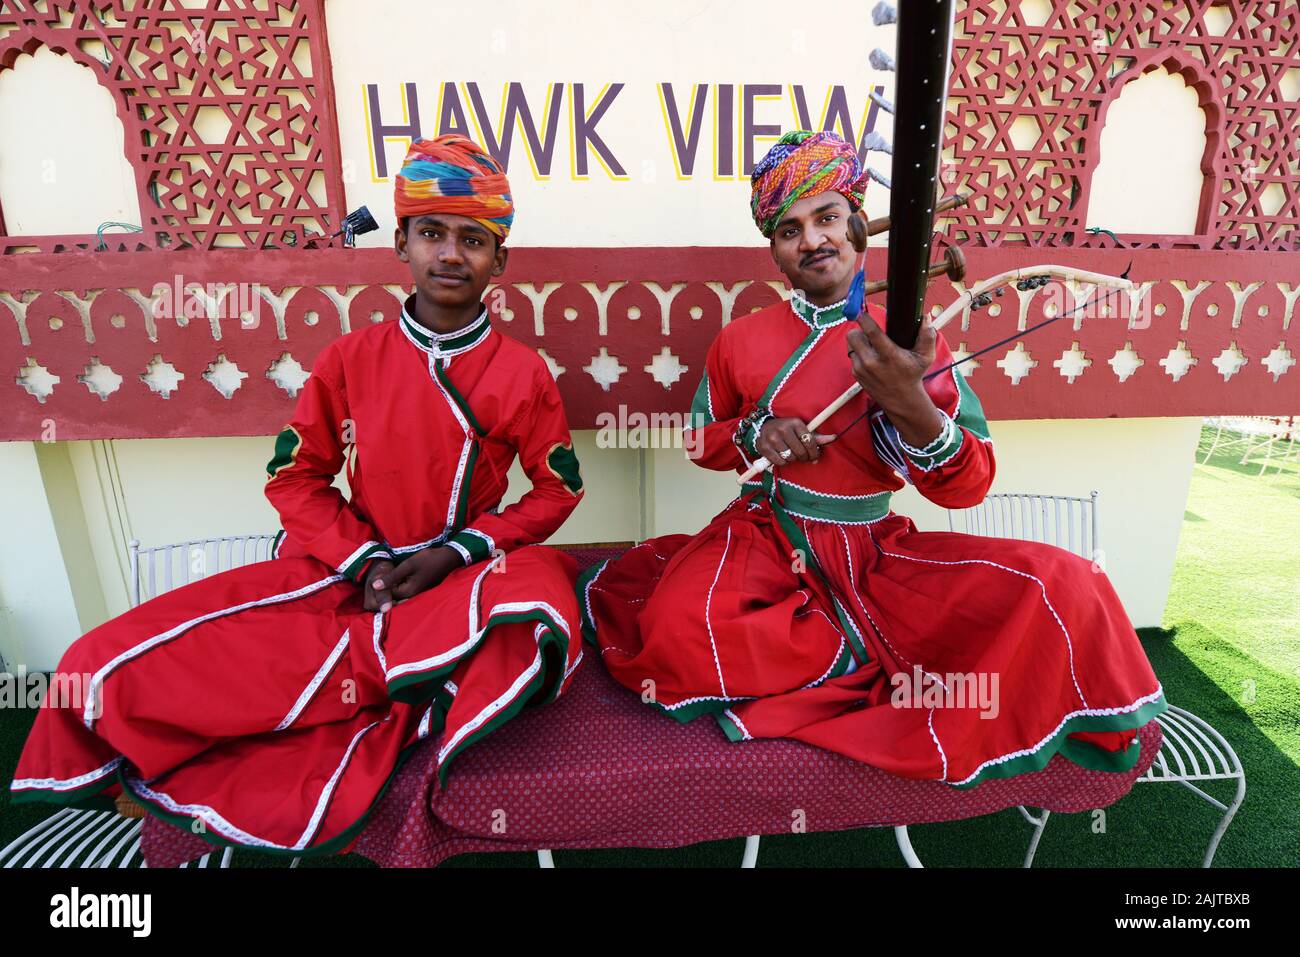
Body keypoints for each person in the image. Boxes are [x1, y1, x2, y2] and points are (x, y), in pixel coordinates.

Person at [11, 134, 586, 856]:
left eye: (473, 239)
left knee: (532, 603)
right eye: (431, 232)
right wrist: (366, 562)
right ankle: (124, 750)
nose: (450, 254)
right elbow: (295, 478)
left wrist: (455, 552)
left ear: (498, 261)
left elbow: (557, 491)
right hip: (348, 576)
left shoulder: (522, 372)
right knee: (101, 661)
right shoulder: (351, 358)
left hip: (457, 582)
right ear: (400, 243)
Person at [580, 130, 1166, 787]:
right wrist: (756, 431)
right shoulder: (740, 339)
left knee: (1062, 581)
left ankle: (854, 652)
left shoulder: (909, 336)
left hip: (877, 550)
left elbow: (967, 485)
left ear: (858, 228)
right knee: (679, 623)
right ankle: (864, 659)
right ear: (774, 250)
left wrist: (911, 405)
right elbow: (698, 437)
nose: (811, 240)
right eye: (788, 228)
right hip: (770, 536)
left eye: (827, 217)